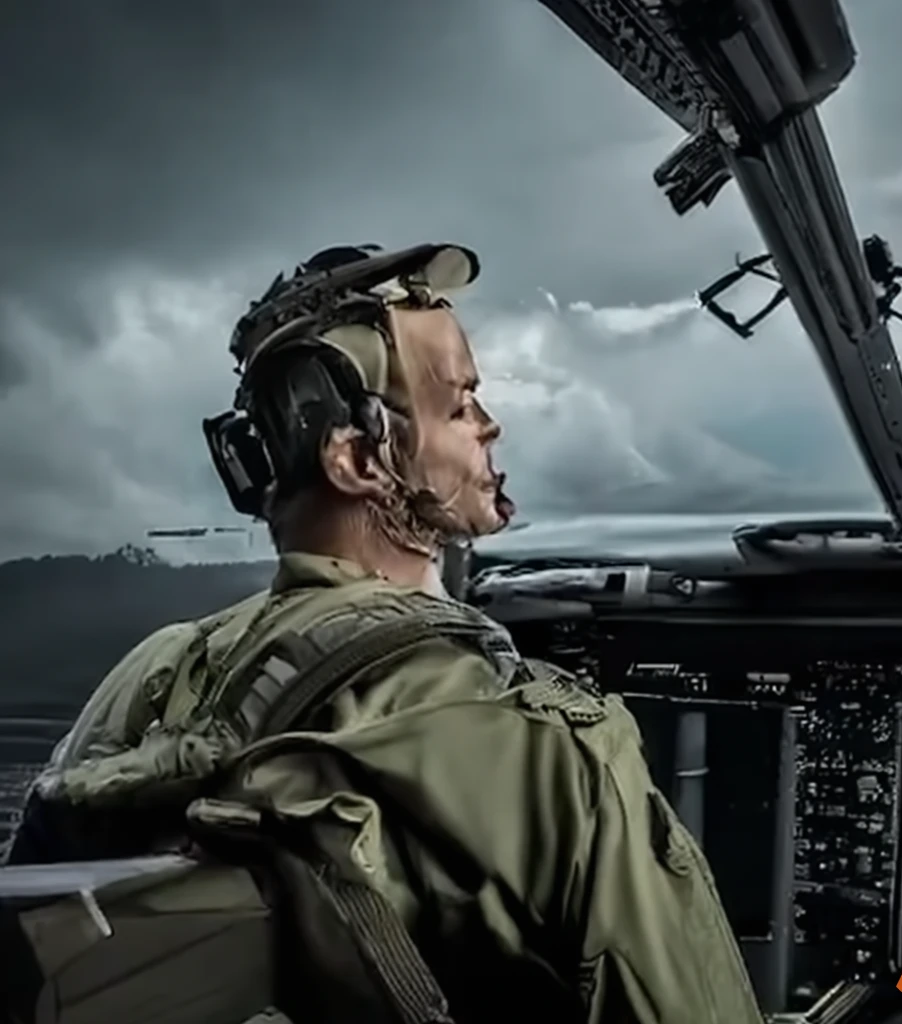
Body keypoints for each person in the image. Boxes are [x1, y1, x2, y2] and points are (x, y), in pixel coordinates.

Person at [6, 242, 764, 1024]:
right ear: (359, 459)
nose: (491, 426)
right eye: (460, 405)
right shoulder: (550, 745)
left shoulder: (148, 677)